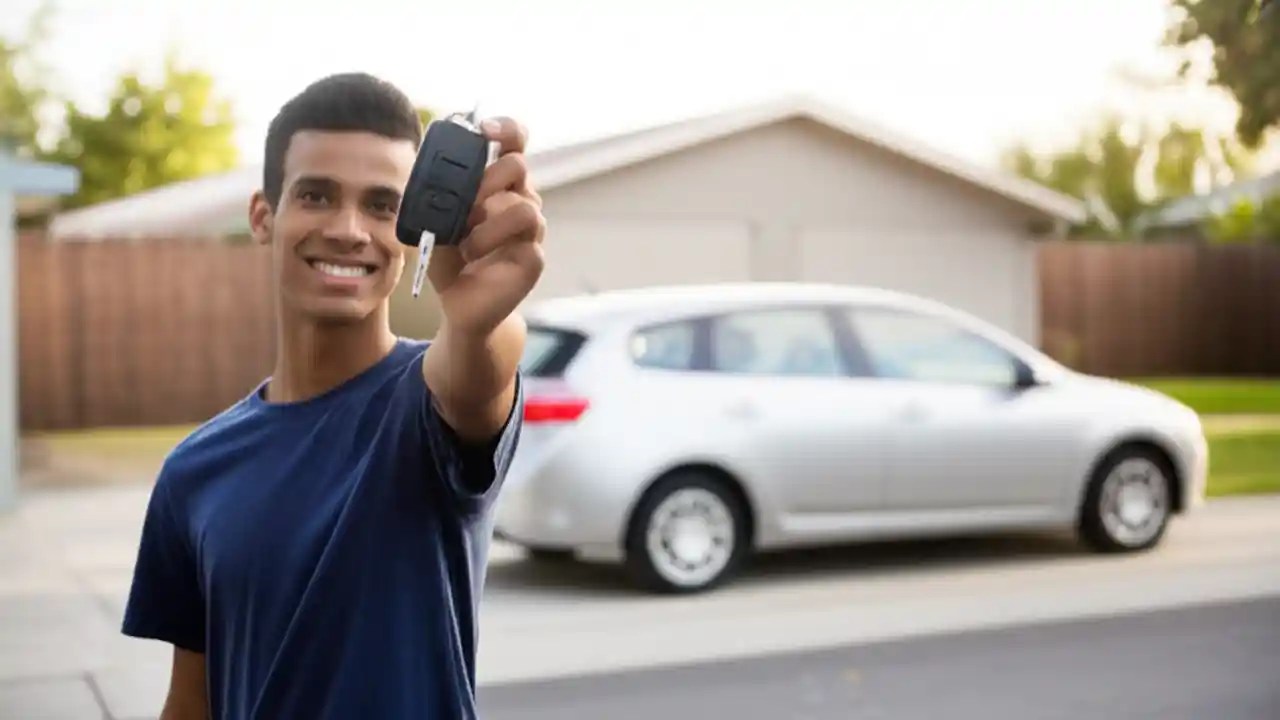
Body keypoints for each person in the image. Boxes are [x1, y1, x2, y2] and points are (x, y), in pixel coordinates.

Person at [120, 72, 545, 719]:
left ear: (412, 230)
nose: (350, 229)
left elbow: (479, 369)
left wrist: (477, 321)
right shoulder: (192, 472)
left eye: (381, 206)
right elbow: (189, 704)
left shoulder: (425, 407)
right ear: (265, 216)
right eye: (317, 196)